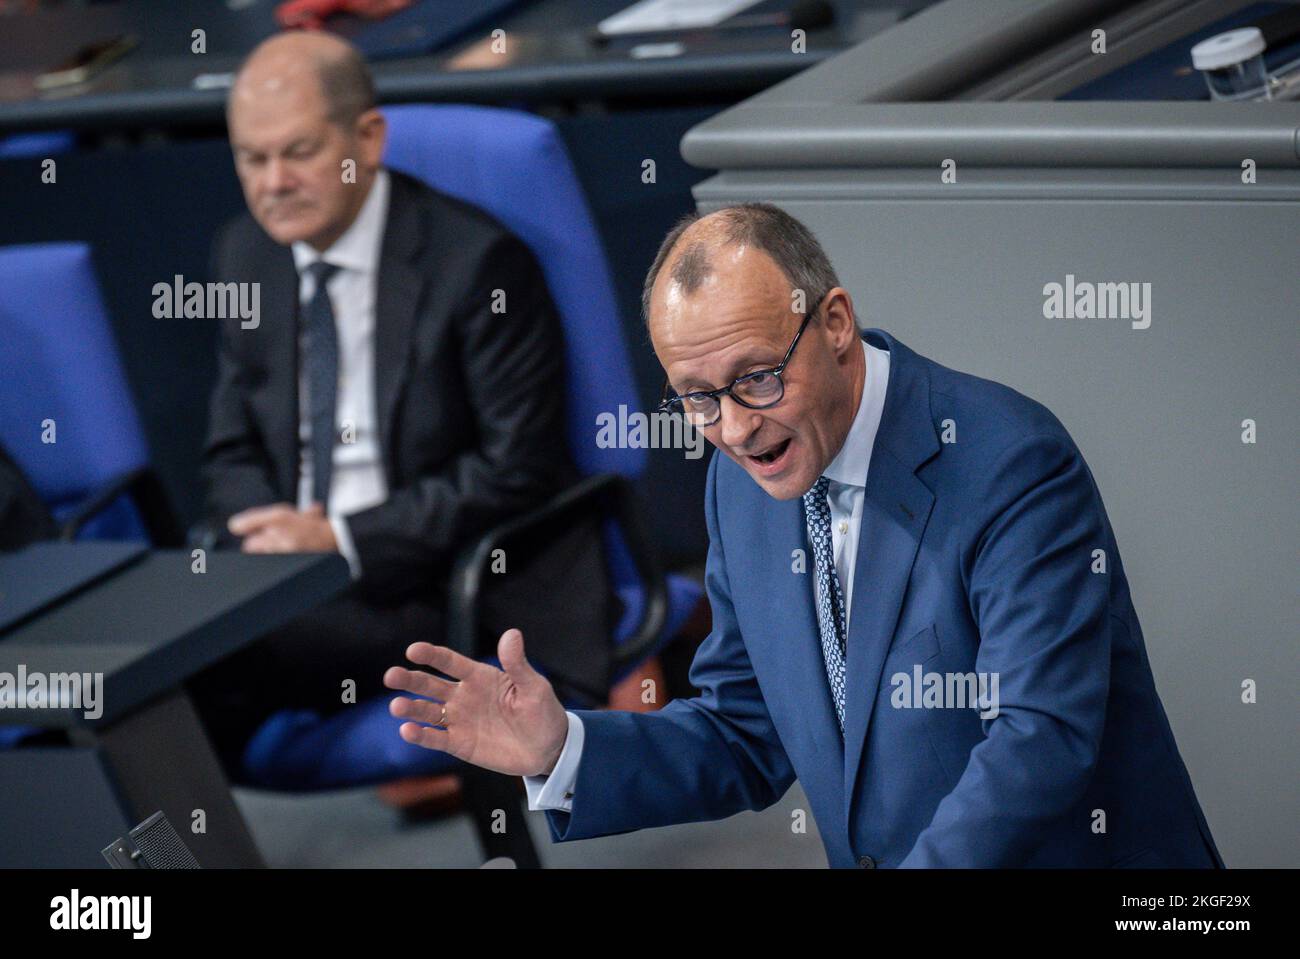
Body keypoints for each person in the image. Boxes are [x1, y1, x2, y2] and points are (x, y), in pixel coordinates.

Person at [383, 202, 1227, 868]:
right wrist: (565, 746)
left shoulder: (1008, 462)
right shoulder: (740, 487)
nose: (735, 428)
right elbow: (744, 730)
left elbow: (1038, 736)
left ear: (833, 325)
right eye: (696, 397)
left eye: (756, 378)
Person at [188, 32, 587, 776]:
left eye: (298, 151)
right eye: (251, 158)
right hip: (292, 579)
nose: (273, 181)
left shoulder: (475, 263)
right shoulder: (246, 254)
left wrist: (336, 537)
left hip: (437, 580)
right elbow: (230, 446)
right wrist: (264, 541)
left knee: (182, 673)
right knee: (155, 647)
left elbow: (518, 470)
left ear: (367, 138)